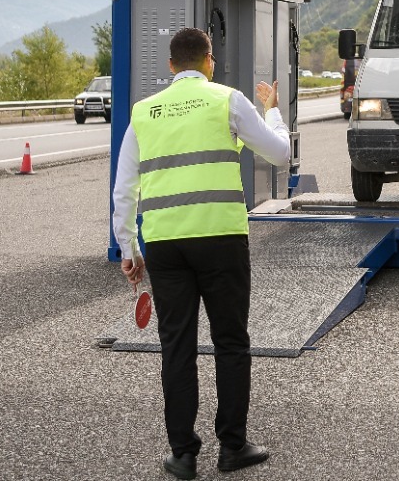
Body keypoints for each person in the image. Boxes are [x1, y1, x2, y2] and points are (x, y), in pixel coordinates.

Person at [111, 27, 291, 480]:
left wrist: (128, 247)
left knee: (177, 346)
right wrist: (272, 111)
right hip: (220, 239)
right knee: (230, 341)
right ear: (210, 61)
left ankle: (183, 454)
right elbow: (279, 154)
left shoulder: (144, 112)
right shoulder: (227, 100)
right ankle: (233, 447)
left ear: (171, 65)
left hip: (166, 245)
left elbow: (125, 188)